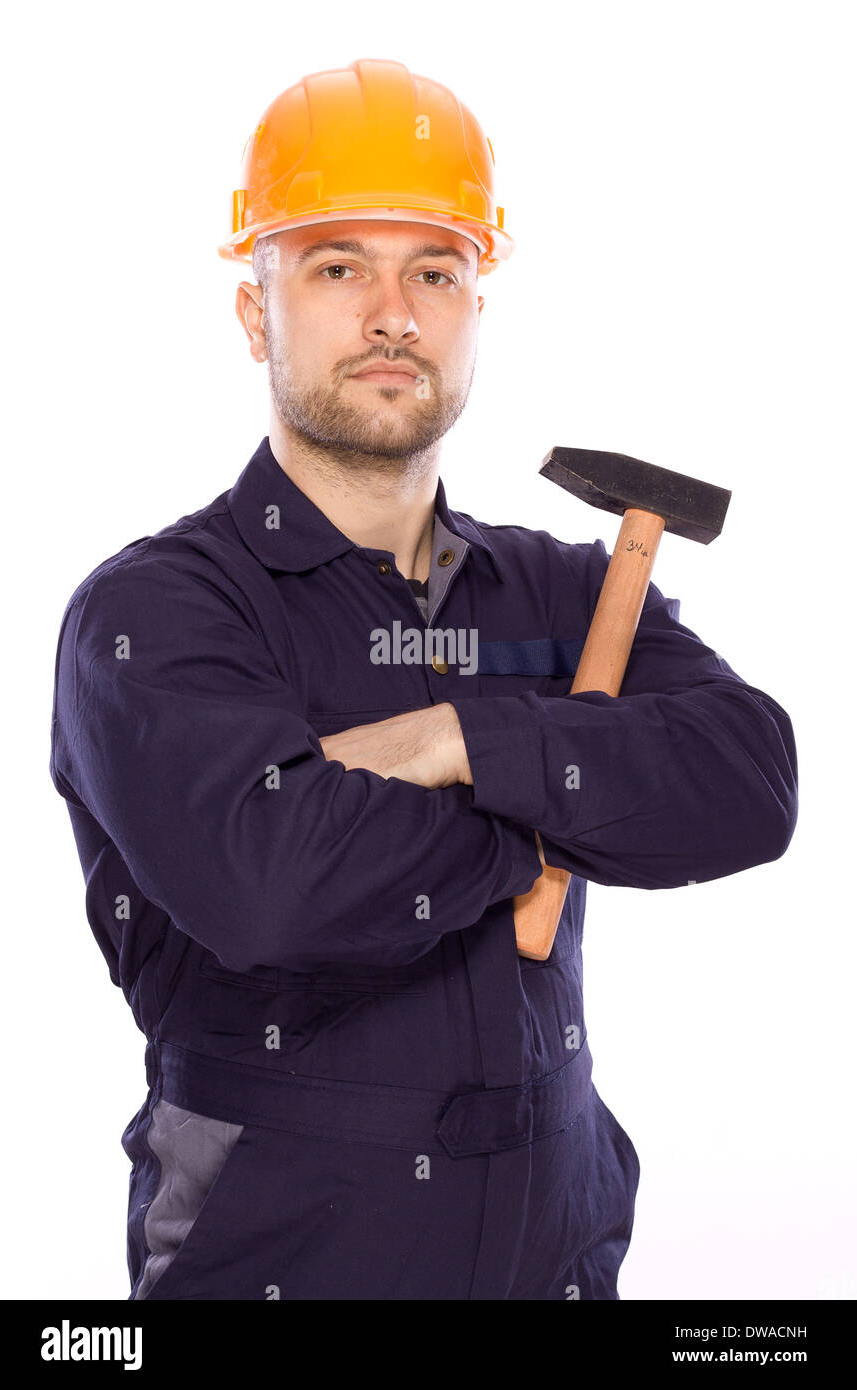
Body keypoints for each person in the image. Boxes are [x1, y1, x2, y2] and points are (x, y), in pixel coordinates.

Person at [48, 58, 798, 1301]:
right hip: (276, 1263)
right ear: (255, 314)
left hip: (556, 1255)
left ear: (470, 311)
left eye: (434, 271)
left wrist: (460, 734)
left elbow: (748, 779)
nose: (392, 312)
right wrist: (562, 793)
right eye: (337, 266)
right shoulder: (154, 613)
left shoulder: (562, 590)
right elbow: (272, 884)